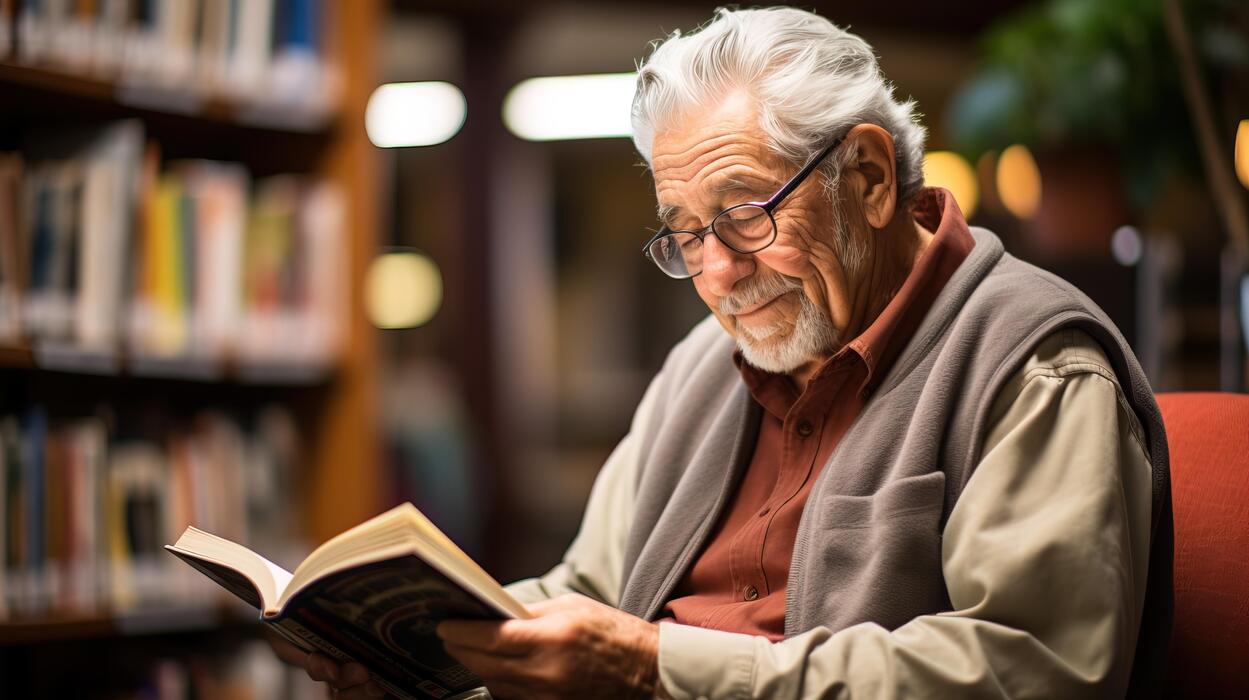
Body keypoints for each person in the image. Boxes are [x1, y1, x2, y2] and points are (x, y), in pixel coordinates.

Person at [273, 7, 1172, 698]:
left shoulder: (1032, 366)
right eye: (685, 234)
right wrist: (426, 654)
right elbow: (588, 588)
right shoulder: (701, 369)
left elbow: (1032, 670)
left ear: (865, 178)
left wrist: (654, 665)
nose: (717, 274)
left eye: (744, 216)